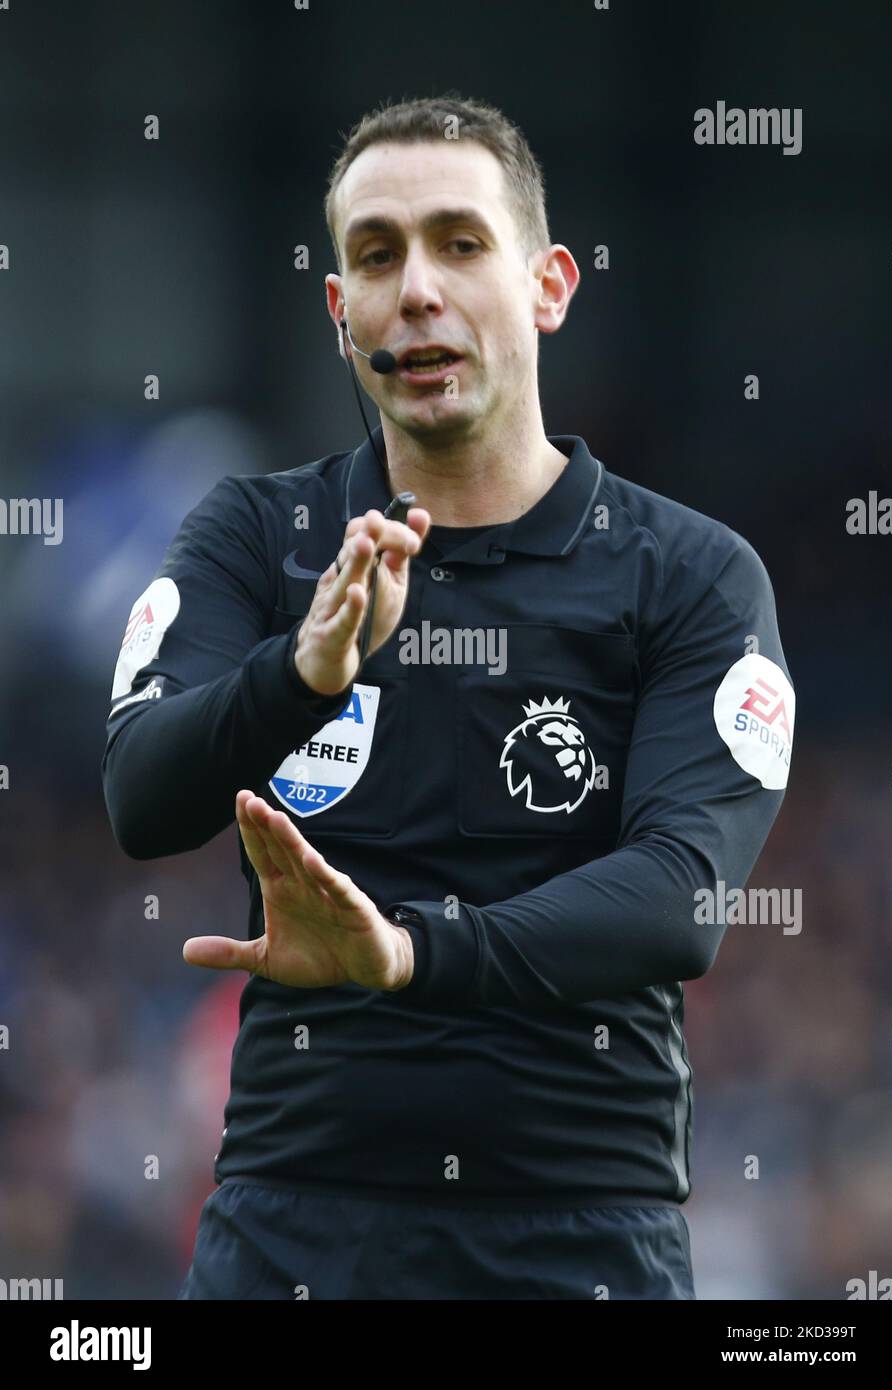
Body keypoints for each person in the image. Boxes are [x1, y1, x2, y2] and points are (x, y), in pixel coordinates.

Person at [102, 92, 795, 1300]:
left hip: (582, 1237)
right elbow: (142, 796)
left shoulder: (692, 574)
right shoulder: (257, 537)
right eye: (376, 254)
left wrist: (413, 955)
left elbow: (678, 897)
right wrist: (300, 674)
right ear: (341, 313)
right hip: (292, 1233)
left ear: (549, 285)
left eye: (460, 243)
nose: (416, 287)